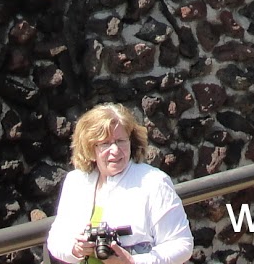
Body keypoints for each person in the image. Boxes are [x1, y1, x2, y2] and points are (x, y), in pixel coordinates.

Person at [46, 104, 193, 264]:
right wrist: (76, 249)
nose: (115, 150)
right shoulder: (76, 182)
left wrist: (134, 262)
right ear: (89, 148)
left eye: (121, 141)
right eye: (105, 144)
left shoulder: (153, 182)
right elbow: (56, 241)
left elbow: (182, 245)